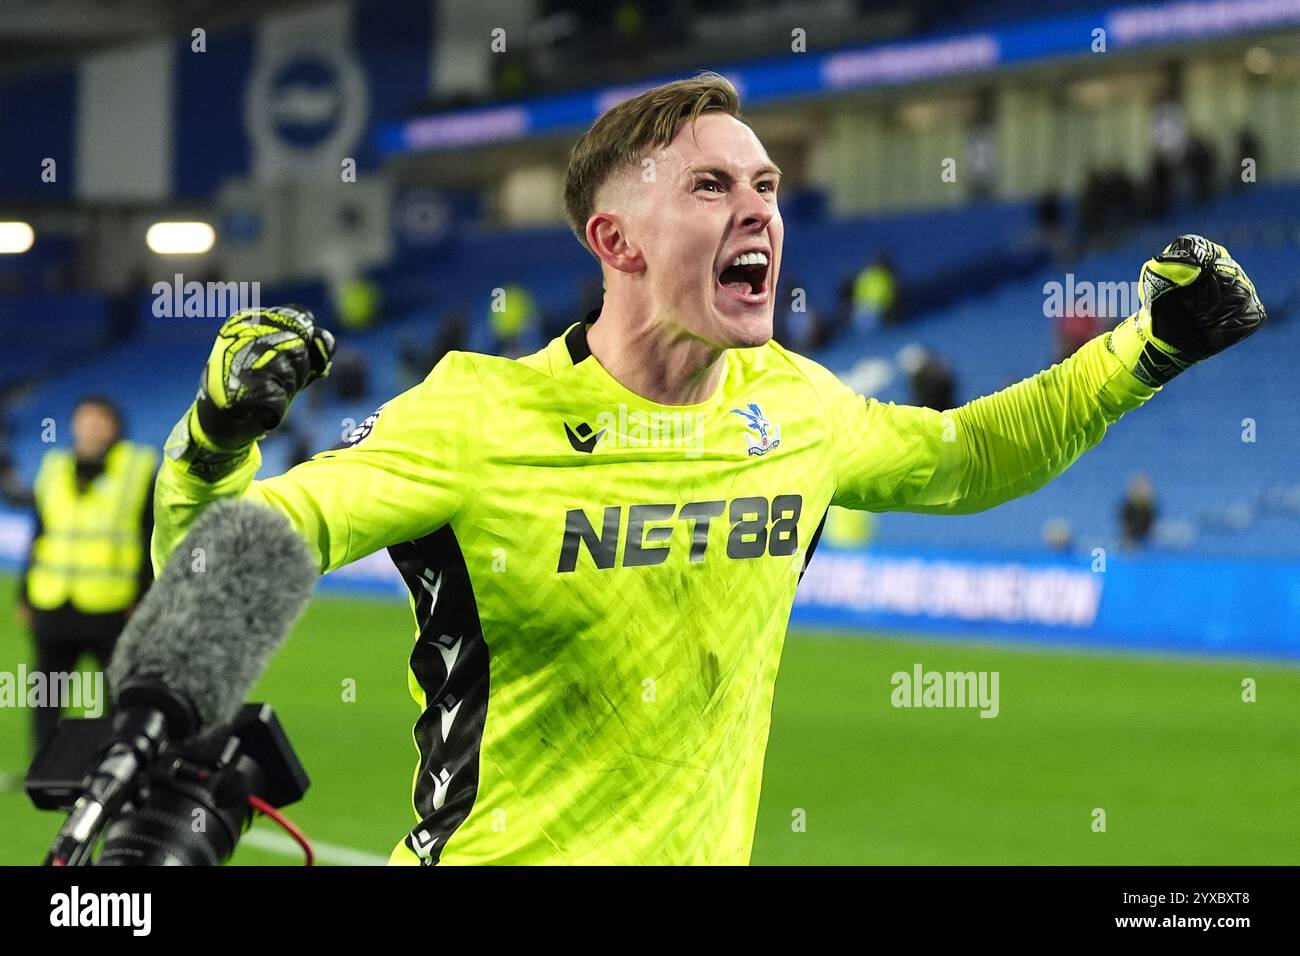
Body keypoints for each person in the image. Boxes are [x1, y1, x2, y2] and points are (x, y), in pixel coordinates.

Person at [152, 74, 1265, 866]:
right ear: (616, 242)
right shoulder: (474, 415)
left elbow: (967, 457)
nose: (759, 211)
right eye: (710, 186)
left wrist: (1142, 348)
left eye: (768, 184)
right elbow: (213, 572)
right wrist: (213, 436)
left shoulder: (793, 403)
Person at [17, 396, 158, 752]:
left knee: (120, 693)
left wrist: (144, 597)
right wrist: (24, 593)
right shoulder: (54, 467)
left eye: (99, 421)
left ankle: (116, 765)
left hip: (113, 606)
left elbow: (150, 538)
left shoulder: (138, 470)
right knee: (47, 692)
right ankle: (45, 768)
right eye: (84, 420)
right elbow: (40, 533)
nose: (91, 428)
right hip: (54, 599)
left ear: (115, 426)